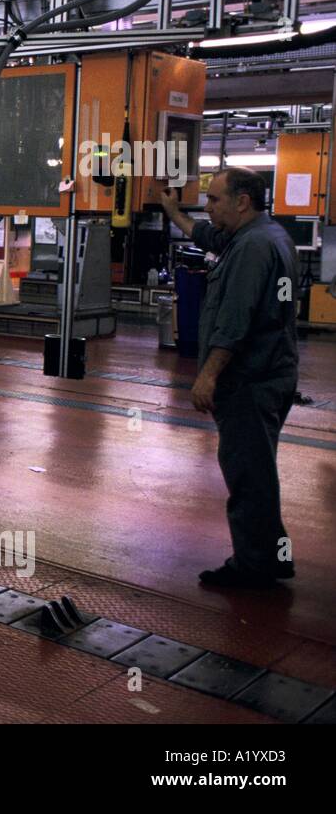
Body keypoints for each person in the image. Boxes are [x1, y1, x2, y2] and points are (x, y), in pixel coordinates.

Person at [161, 168, 299, 588]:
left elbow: (236, 319)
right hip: (272, 372)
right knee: (257, 470)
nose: (208, 207)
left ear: (242, 201)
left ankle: (254, 568)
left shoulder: (254, 248)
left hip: (249, 378)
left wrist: (207, 376)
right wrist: (171, 210)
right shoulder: (266, 236)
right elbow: (206, 235)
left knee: (247, 473)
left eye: (216, 200)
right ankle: (275, 556)